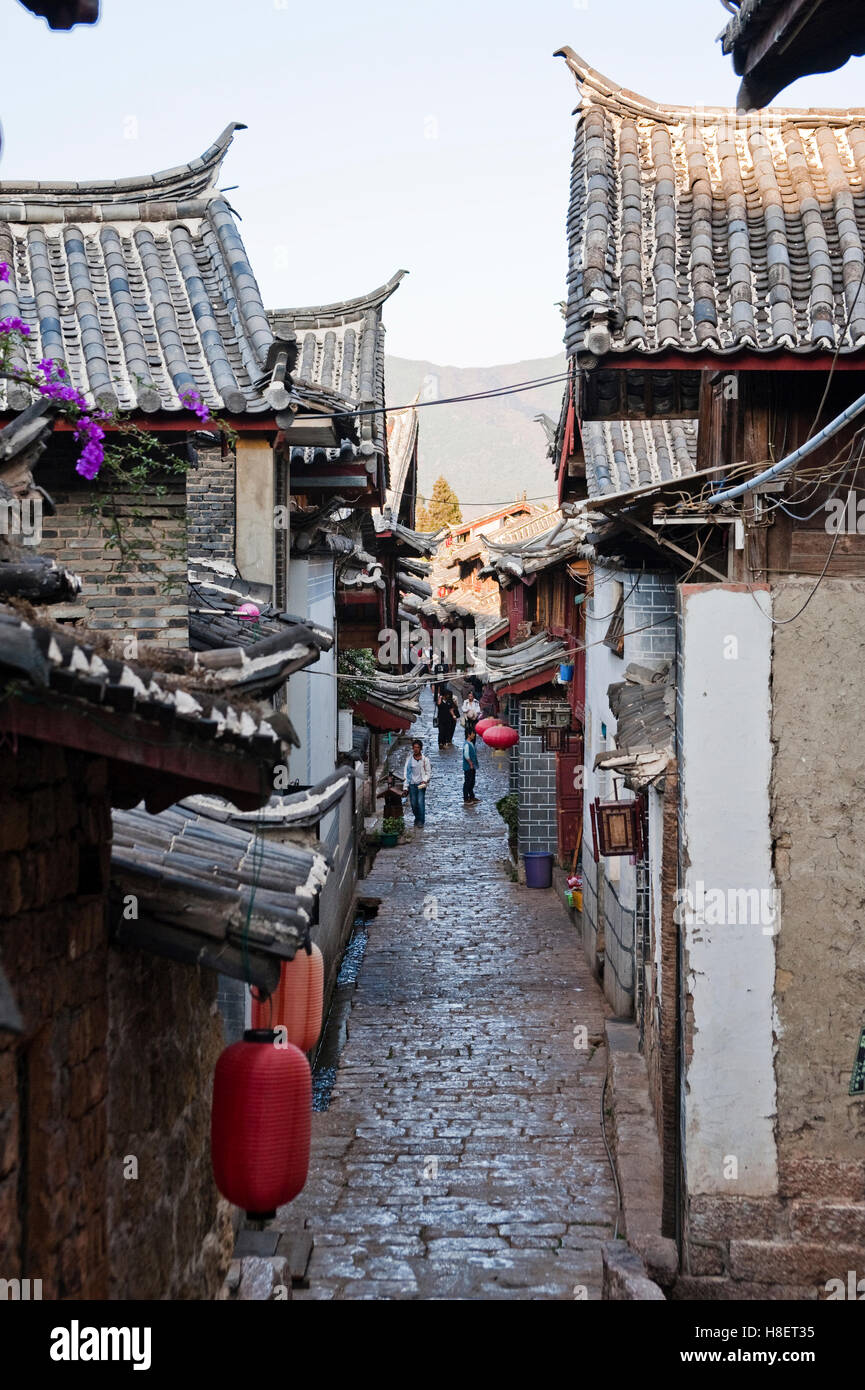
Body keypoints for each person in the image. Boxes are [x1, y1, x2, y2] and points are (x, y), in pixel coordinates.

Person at [403, 738, 432, 825]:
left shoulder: (425, 760)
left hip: (421, 784)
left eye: (417, 747)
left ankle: (421, 821)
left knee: (420, 802)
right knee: (413, 803)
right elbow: (406, 773)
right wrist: (405, 786)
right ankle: (417, 817)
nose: (416, 749)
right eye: (414, 747)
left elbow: (428, 772)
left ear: (420, 748)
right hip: (412, 784)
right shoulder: (409, 760)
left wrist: (425, 780)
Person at [462, 727, 479, 804]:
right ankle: (466, 798)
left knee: (472, 782)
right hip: (469, 767)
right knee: (467, 782)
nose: (474, 735)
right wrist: (470, 763)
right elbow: (466, 755)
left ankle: (471, 796)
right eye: (473, 733)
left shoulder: (471, 743)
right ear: (469, 735)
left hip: (472, 767)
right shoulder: (466, 744)